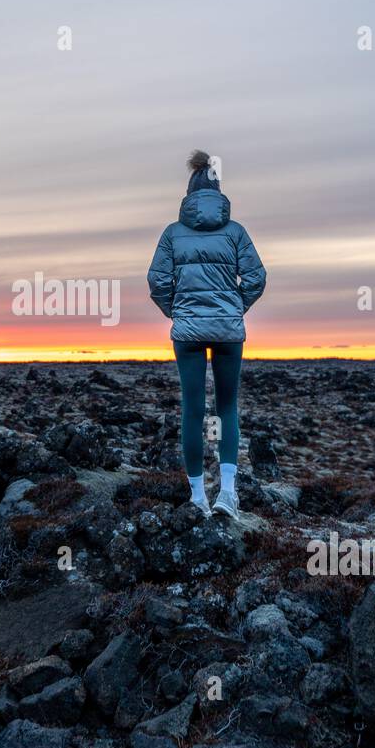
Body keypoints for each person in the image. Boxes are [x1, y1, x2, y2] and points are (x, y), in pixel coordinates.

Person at [147, 150, 266, 519]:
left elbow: (157, 282)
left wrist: (178, 313)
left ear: (189, 194)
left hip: (188, 334)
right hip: (229, 331)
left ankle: (198, 496)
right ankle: (227, 494)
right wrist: (233, 308)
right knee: (227, 407)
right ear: (218, 193)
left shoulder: (172, 233)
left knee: (193, 410)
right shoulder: (236, 232)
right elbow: (257, 278)